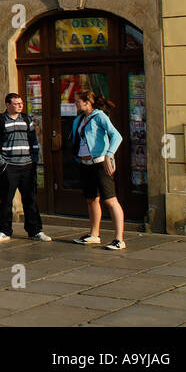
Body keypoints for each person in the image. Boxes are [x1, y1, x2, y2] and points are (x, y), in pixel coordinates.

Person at [0, 92, 51, 242]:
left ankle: (35, 231)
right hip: (9, 167)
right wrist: (1, 162)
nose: (20, 106)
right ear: (8, 105)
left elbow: (33, 140)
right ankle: (4, 230)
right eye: (16, 104)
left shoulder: (27, 119)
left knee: (31, 199)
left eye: (21, 103)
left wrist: (34, 159)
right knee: (6, 200)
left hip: (27, 166)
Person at [71, 87, 125, 250]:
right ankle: (94, 234)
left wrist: (109, 154)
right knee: (91, 199)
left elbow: (116, 136)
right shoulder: (80, 119)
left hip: (100, 163)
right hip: (85, 164)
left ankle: (119, 239)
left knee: (110, 200)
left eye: (77, 102)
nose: (75, 104)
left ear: (87, 102)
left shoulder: (99, 116)